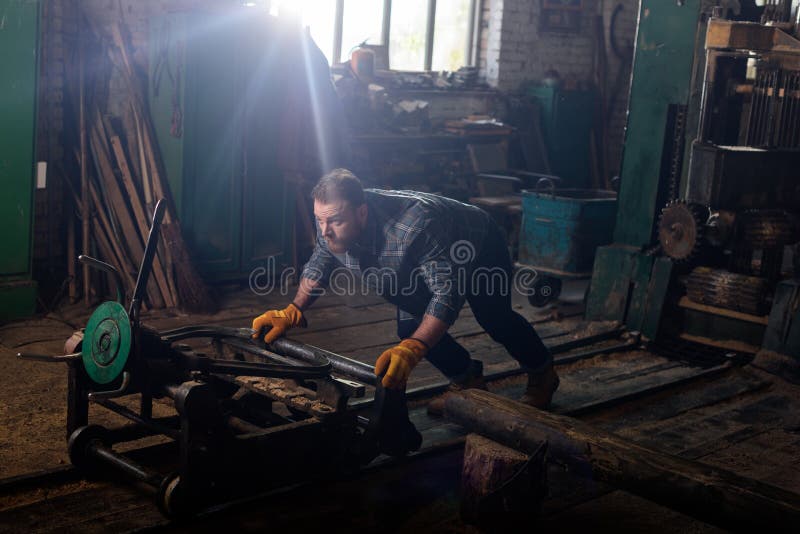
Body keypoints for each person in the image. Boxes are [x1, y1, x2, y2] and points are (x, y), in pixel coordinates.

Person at [251, 169, 559, 413]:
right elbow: (320, 261)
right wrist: (293, 310)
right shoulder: (333, 220)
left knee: (494, 317)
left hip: (476, 245)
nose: (325, 230)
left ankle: (543, 372)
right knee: (410, 326)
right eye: (320, 220)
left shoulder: (415, 225)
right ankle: (469, 382)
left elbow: (446, 296)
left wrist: (413, 350)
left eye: (334, 221)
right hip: (417, 256)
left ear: (362, 213)